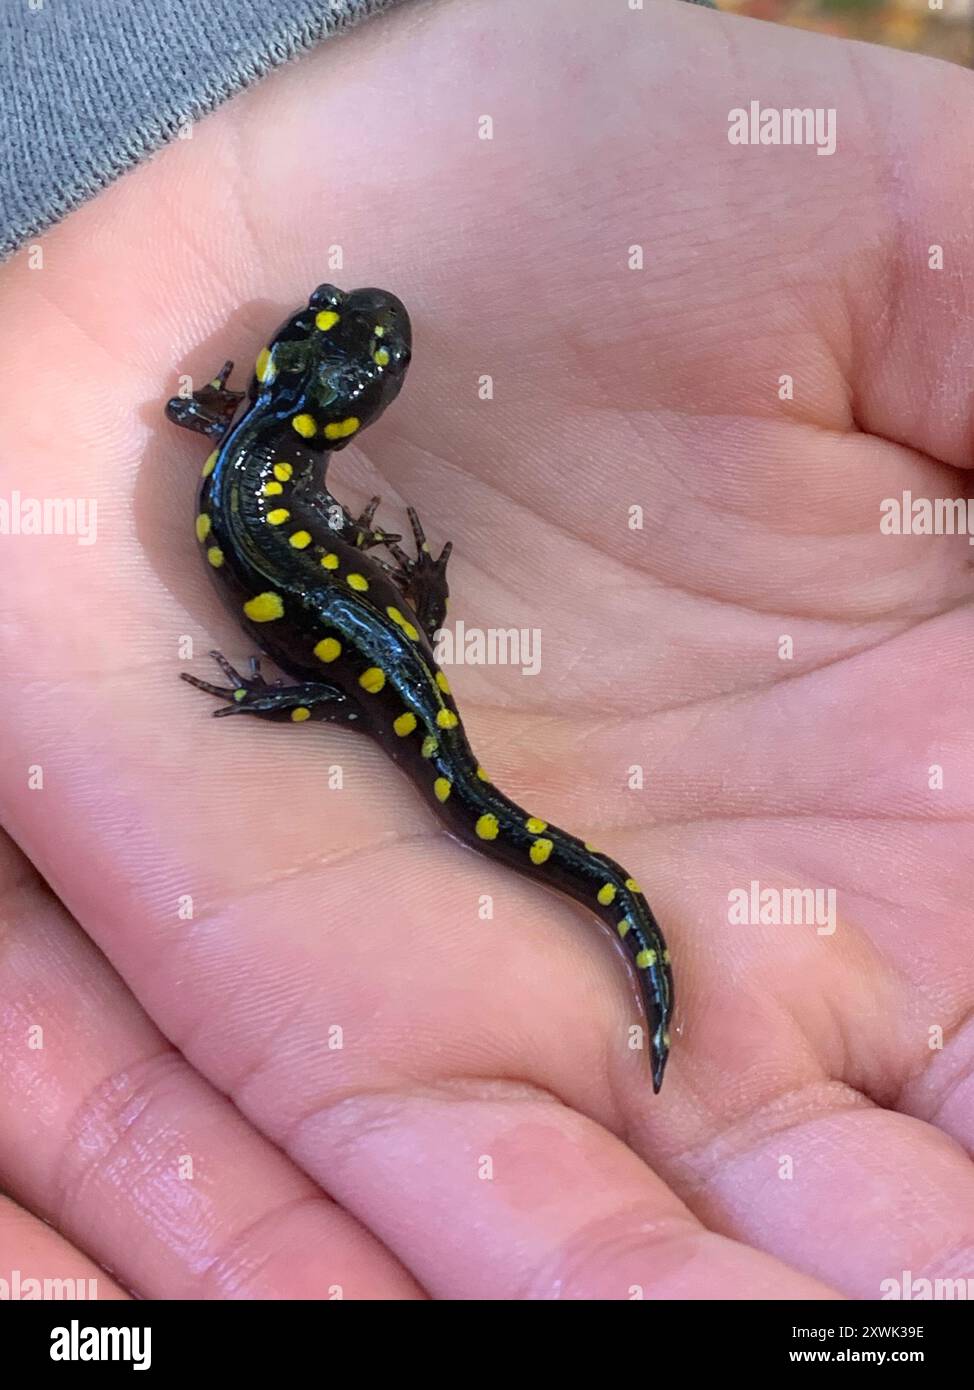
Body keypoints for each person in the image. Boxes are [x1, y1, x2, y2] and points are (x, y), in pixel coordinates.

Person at [0, 0, 971, 1300]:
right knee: (365, 685)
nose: (360, 323)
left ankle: (608, 905)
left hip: (375, 662)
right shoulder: (274, 449)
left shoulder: (256, 429)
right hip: (377, 657)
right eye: (352, 332)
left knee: (382, 701)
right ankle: (390, 751)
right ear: (330, 399)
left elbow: (188, 408)